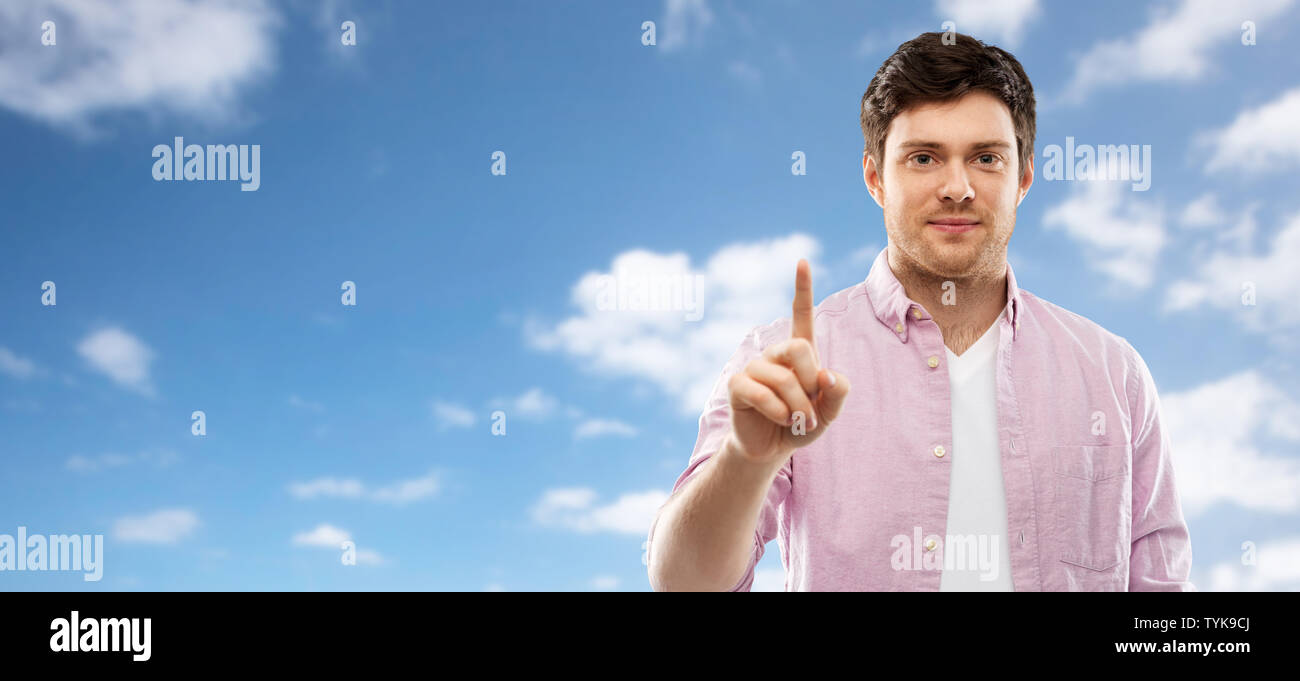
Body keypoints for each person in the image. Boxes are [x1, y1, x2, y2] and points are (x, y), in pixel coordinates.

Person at [645, 31, 1195, 591]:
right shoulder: (782, 366)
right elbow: (681, 583)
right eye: (924, 157)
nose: (956, 188)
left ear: (1024, 178)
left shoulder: (1113, 374)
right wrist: (746, 461)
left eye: (985, 158)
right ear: (875, 178)